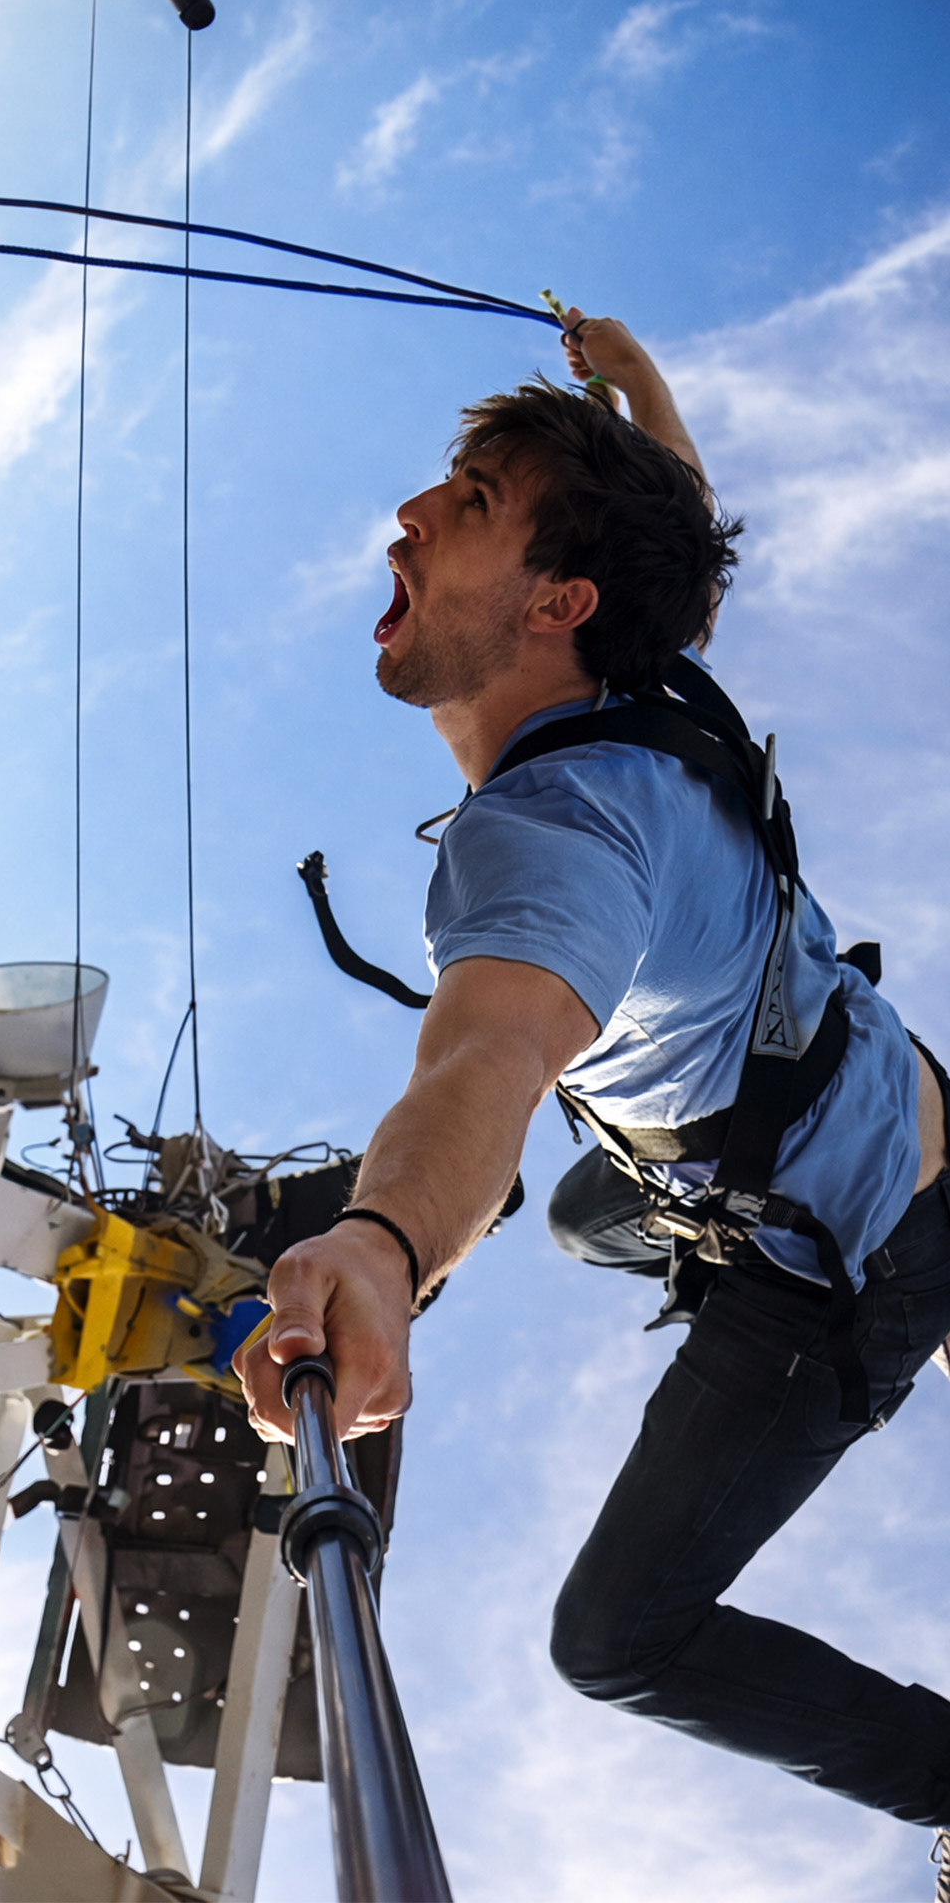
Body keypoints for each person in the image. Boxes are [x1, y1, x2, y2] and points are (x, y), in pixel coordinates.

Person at [236, 310, 950, 1886]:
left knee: (616, 1643)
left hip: (847, 1252)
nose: (408, 517)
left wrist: (382, 1242)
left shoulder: (555, 828)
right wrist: (636, 392)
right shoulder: (648, 676)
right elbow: (667, 530)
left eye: (466, 502)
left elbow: (486, 1060)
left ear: (561, 604)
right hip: (881, 1098)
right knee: (571, 1213)